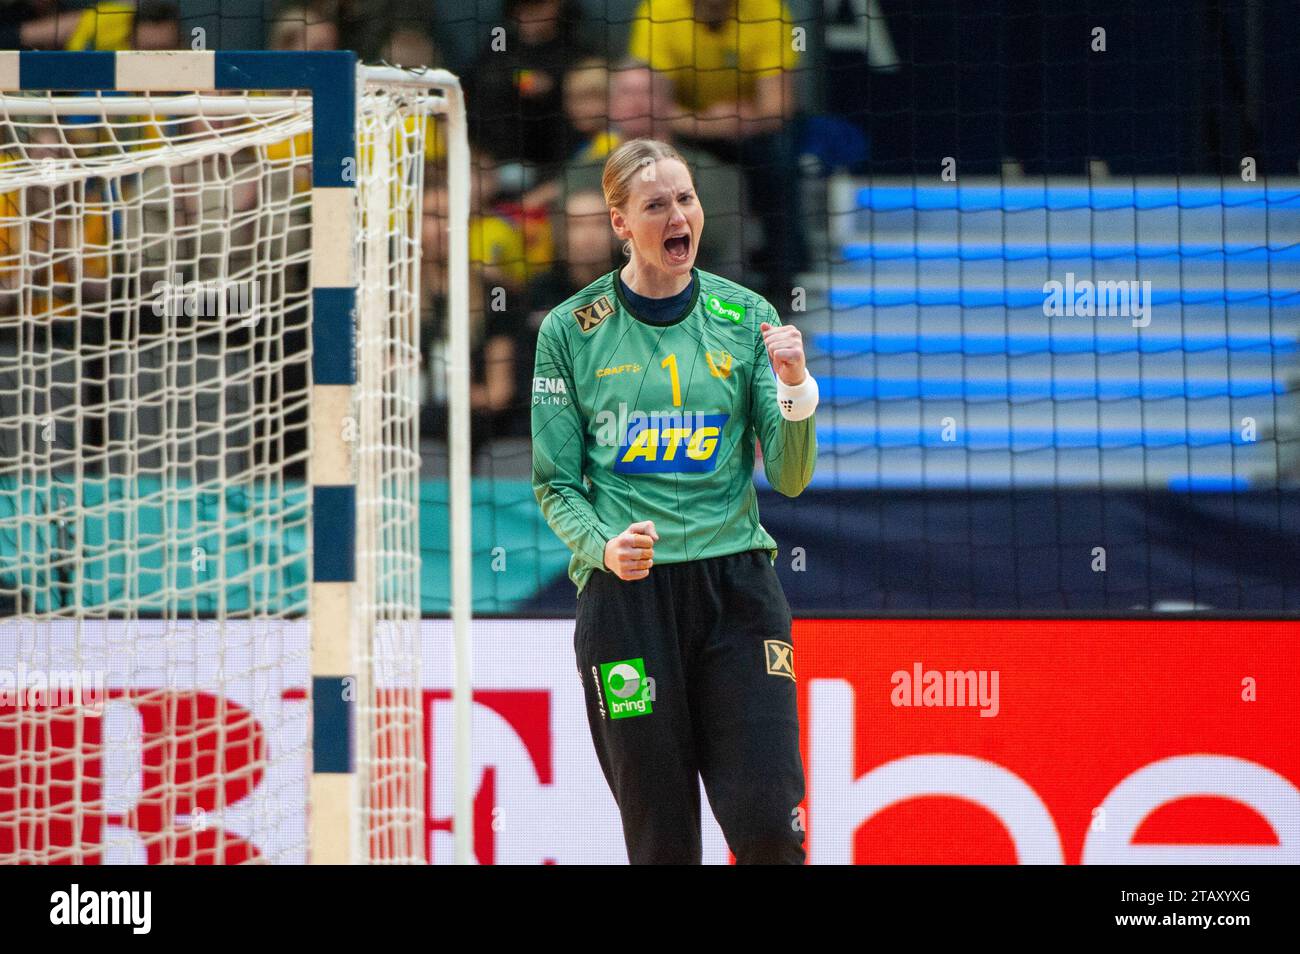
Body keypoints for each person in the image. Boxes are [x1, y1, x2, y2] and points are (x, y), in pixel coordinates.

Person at [530, 138, 819, 864]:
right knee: (663, 844)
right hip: (627, 602)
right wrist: (603, 547)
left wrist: (794, 386)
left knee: (768, 826)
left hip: (736, 591)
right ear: (621, 223)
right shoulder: (570, 331)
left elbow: (790, 477)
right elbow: (556, 484)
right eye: (656, 205)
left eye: (685, 198)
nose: (678, 215)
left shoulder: (745, 316)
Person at [626, 0, 808, 300]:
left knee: (779, 160)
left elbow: (778, 108)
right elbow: (652, 104)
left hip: (752, 132)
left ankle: (782, 282)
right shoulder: (658, 11)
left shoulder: (768, 10)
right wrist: (711, 123)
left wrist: (735, 120)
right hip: (685, 130)